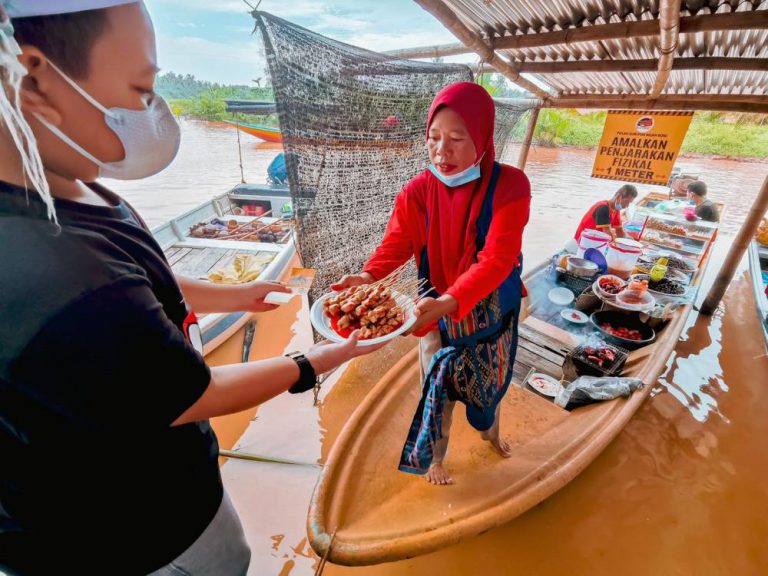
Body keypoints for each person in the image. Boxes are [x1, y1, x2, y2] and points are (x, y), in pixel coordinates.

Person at [0, 2, 382, 574]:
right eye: (141, 86)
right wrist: (316, 359)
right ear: (33, 76)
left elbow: (144, 275)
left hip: (173, 495)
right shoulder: (51, 265)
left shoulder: (71, 184)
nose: (151, 111)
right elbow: (192, 394)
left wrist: (236, 297)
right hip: (127, 541)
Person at [333, 82, 531, 486]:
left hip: (490, 305)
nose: (443, 151)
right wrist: (368, 276)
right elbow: (397, 243)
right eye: (434, 138)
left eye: (458, 139)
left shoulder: (510, 186)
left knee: (488, 387)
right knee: (434, 384)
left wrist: (452, 299)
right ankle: (437, 456)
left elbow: (497, 259)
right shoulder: (418, 191)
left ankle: (490, 433)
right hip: (434, 308)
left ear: (482, 138)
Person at [573, 184, 638, 241]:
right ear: (619, 197)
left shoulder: (616, 210)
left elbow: (619, 232)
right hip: (583, 241)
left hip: (596, 239)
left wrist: (629, 240)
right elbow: (607, 235)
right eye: (627, 202)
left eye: (630, 203)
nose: (627, 205)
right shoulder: (603, 208)